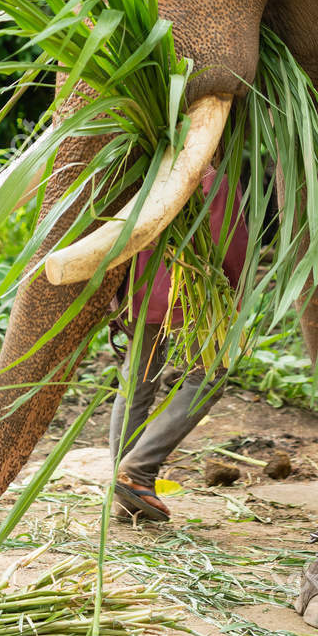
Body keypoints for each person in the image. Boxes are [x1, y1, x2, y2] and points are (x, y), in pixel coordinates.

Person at [109, 169, 248, 521]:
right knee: (208, 377)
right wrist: (234, 295)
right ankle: (138, 469)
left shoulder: (139, 167)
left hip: (137, 282)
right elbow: (228, 240)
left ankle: (126, 495)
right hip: (194, 287)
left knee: (137, 380)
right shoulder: (209, 173)